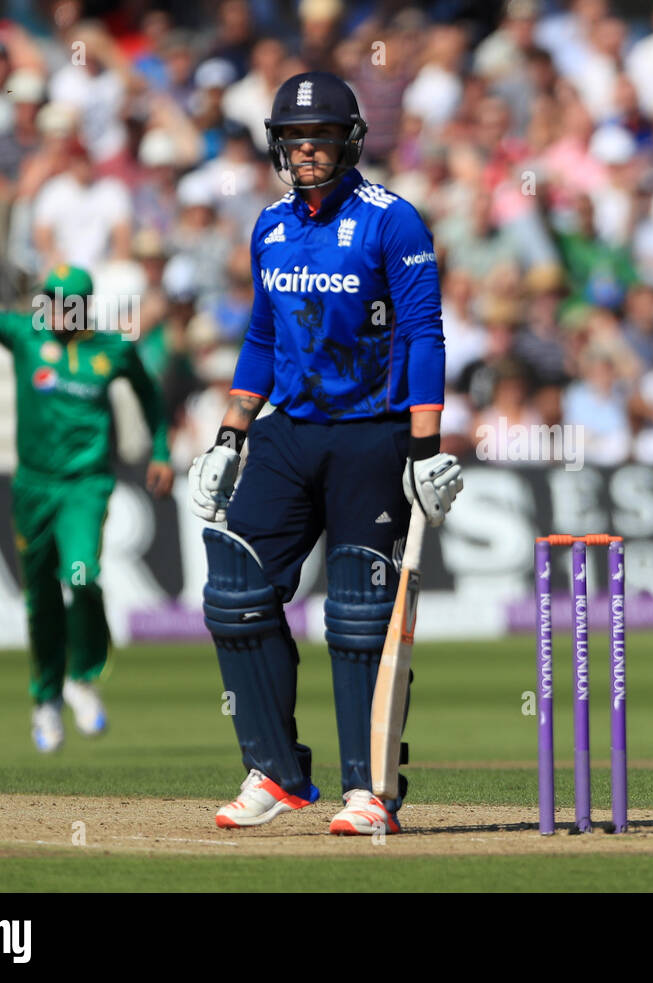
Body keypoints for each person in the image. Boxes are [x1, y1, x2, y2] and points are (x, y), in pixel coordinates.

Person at [187, 72, 461, 835]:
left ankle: (370, 788)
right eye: (295, 140)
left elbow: (423, 333)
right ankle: (276, 771)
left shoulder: (392, 221)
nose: (308, 152)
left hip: (372, 432)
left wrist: (425, 444)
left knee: (359, 610)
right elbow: (263, 337)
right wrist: (230, 433)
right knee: (234, 588)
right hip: (289, 429)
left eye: (322, 139)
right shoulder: (270, 226)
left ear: (350, 141)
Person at [0, 264, 173, 751]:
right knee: (41, 599)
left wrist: (163, 451)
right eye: (51, 300)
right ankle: (46, 698)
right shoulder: (24, 333)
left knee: (82, 575)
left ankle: (82, 678)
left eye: (65, 303)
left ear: (84, 306)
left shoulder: (112, 348)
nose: (56, 311)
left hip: (86, 485)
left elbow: (150, 396)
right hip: (32, 489)